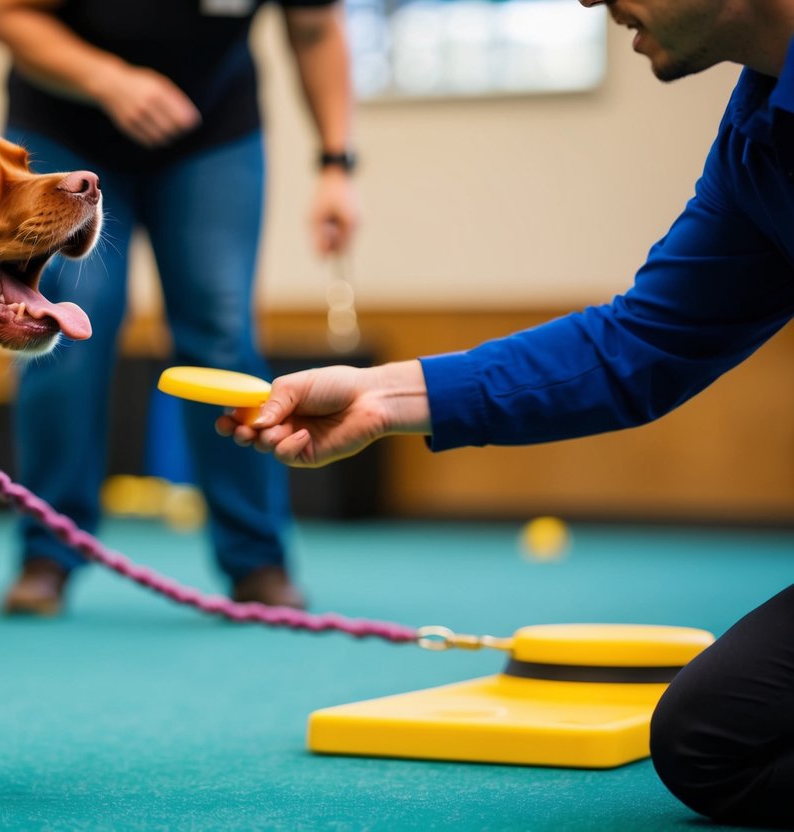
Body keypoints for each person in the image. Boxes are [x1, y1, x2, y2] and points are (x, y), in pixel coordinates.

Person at [218, 0, 794, 825]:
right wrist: (382, 396)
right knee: (713, 746)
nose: (586, 0)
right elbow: (639, 343)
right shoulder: (759, 129)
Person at [0, 0, 360, 615]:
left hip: (211, 133)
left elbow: (316, 29)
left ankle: (257, 559)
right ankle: (47, 553)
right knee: (65, 329)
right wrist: (109, 79)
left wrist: (336, 165)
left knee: (221, 330)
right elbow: (11, 16)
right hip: (68, 124)